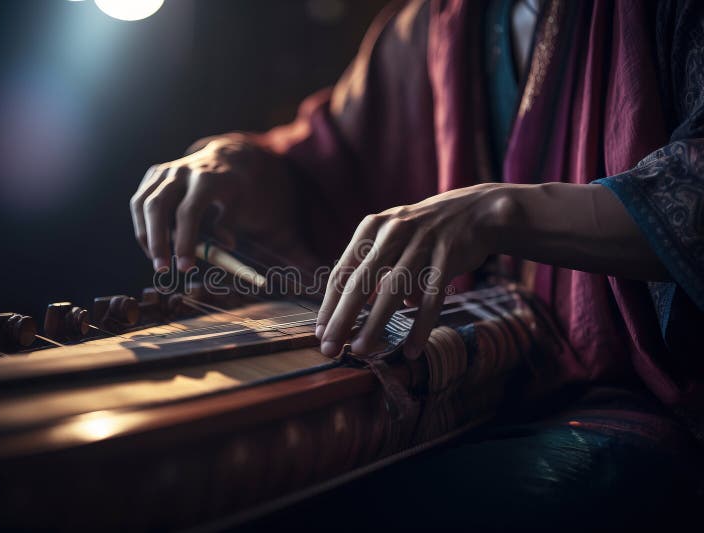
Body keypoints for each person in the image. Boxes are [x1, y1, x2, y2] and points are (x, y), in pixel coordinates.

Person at [130, 0, 704, 526]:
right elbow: (321, 167)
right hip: (473, 392)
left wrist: (496, 210)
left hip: (635, 407)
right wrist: (232, 163)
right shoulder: (438, 23)